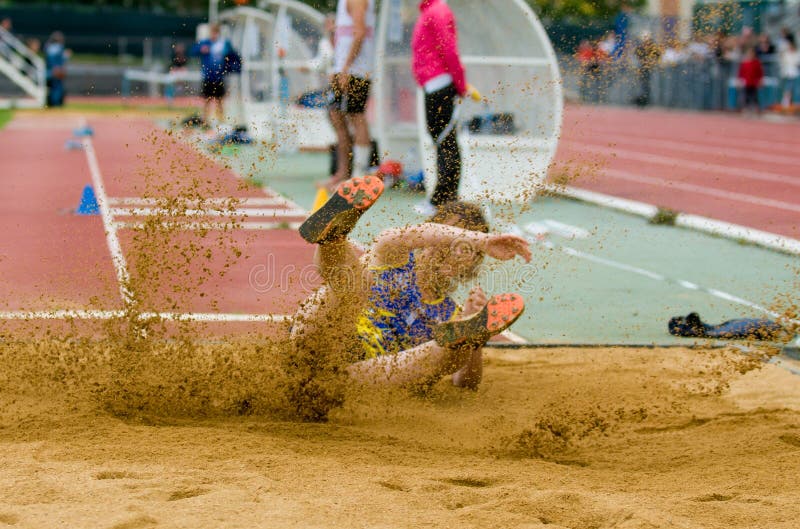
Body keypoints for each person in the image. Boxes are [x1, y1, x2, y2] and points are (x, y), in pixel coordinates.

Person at [286, 175, 531, 420]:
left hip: (354, 379)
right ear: (435, 235)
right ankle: (332, 236)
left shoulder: (451, 314)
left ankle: (463, 339)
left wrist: (475, 338)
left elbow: (464, 384)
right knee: (355, 283)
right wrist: (483, 240)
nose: (458, 253)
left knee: (442, 352)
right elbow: (395, 236)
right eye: (455, 240)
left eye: (469, 251)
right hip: (319, 340)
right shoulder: (393, 257)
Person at [411, 0, 478, 216]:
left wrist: (460, 84)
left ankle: (444, 199)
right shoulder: (430, 10)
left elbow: (449, 49)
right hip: (434, 83)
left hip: (440, 83)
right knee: (441, 139)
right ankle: (442, 198)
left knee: (445, 140)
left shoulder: (438, 10)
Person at [321, 0, 376, 189]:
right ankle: (342, 173)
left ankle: (359, 175)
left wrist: (346, 68)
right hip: (343, 69)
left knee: (356, 117)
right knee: (337, 118)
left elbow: (359, 34)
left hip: (355, 71)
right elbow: (346, 36)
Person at [191, 24, 238, 129]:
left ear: (218, 33)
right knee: (207, 101)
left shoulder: (224, 44)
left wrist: (230, 66)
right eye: (212, 32)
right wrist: (200, 49)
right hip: (208, 77)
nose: (213, 34)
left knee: (220, 101)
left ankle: (221, 121)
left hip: (219, 77)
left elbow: (233, 55)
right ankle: (205, 122)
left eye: (215, 32)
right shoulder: (205, 43)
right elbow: (193, 51)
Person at [44, 31, 67, 108]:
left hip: (54, 70)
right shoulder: (57, 47)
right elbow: (54, 60)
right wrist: (57, 69)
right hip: (54, 71)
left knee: (55, 87)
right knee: (56, 87)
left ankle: (54, 103)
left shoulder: (49, 46)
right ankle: (55, 103)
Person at [737, 47, 764, 113]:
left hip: (754, 82)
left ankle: (756, 108)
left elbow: (760, 72)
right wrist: (739, 81)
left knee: (754, 96)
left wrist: (760, 80)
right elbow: (741, 73)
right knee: (746, 96)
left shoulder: (756, 62)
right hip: (747, 82)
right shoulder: (744, 63)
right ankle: (746, 108)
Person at [779, 35, 799, 108]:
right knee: (787, 89)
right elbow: (783, 63)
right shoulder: (786, 54)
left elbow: (797, 62)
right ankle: (786, 103)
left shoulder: (797, 53)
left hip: (796, 74)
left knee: (796, 89)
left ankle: (796, 103)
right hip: (788, 74)